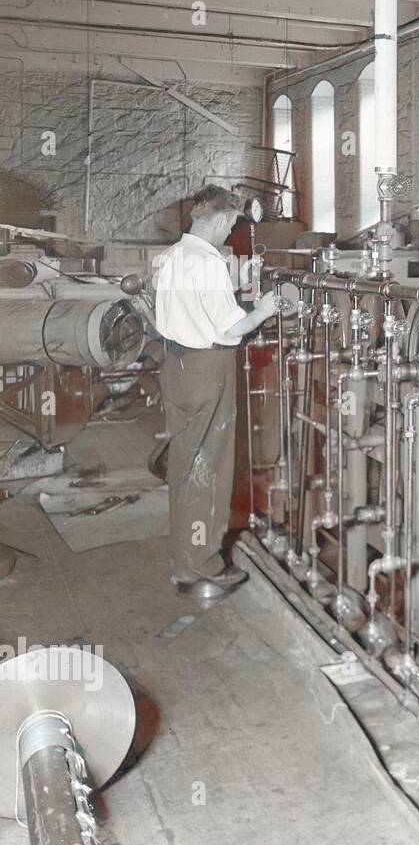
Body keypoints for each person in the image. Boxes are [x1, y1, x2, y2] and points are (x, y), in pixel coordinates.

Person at [153, 185, 278, 600]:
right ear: (223, 220)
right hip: (208, 368)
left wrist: (237, 283)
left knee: (186, 466)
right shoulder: (207, 264)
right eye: (231, 225)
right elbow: (227, 329)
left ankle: (182, 560)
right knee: (209, 470)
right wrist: (263, 310)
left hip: (176, 366)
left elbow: (187, 309)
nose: (230, 233)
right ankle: (202, 566)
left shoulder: (172, 256)